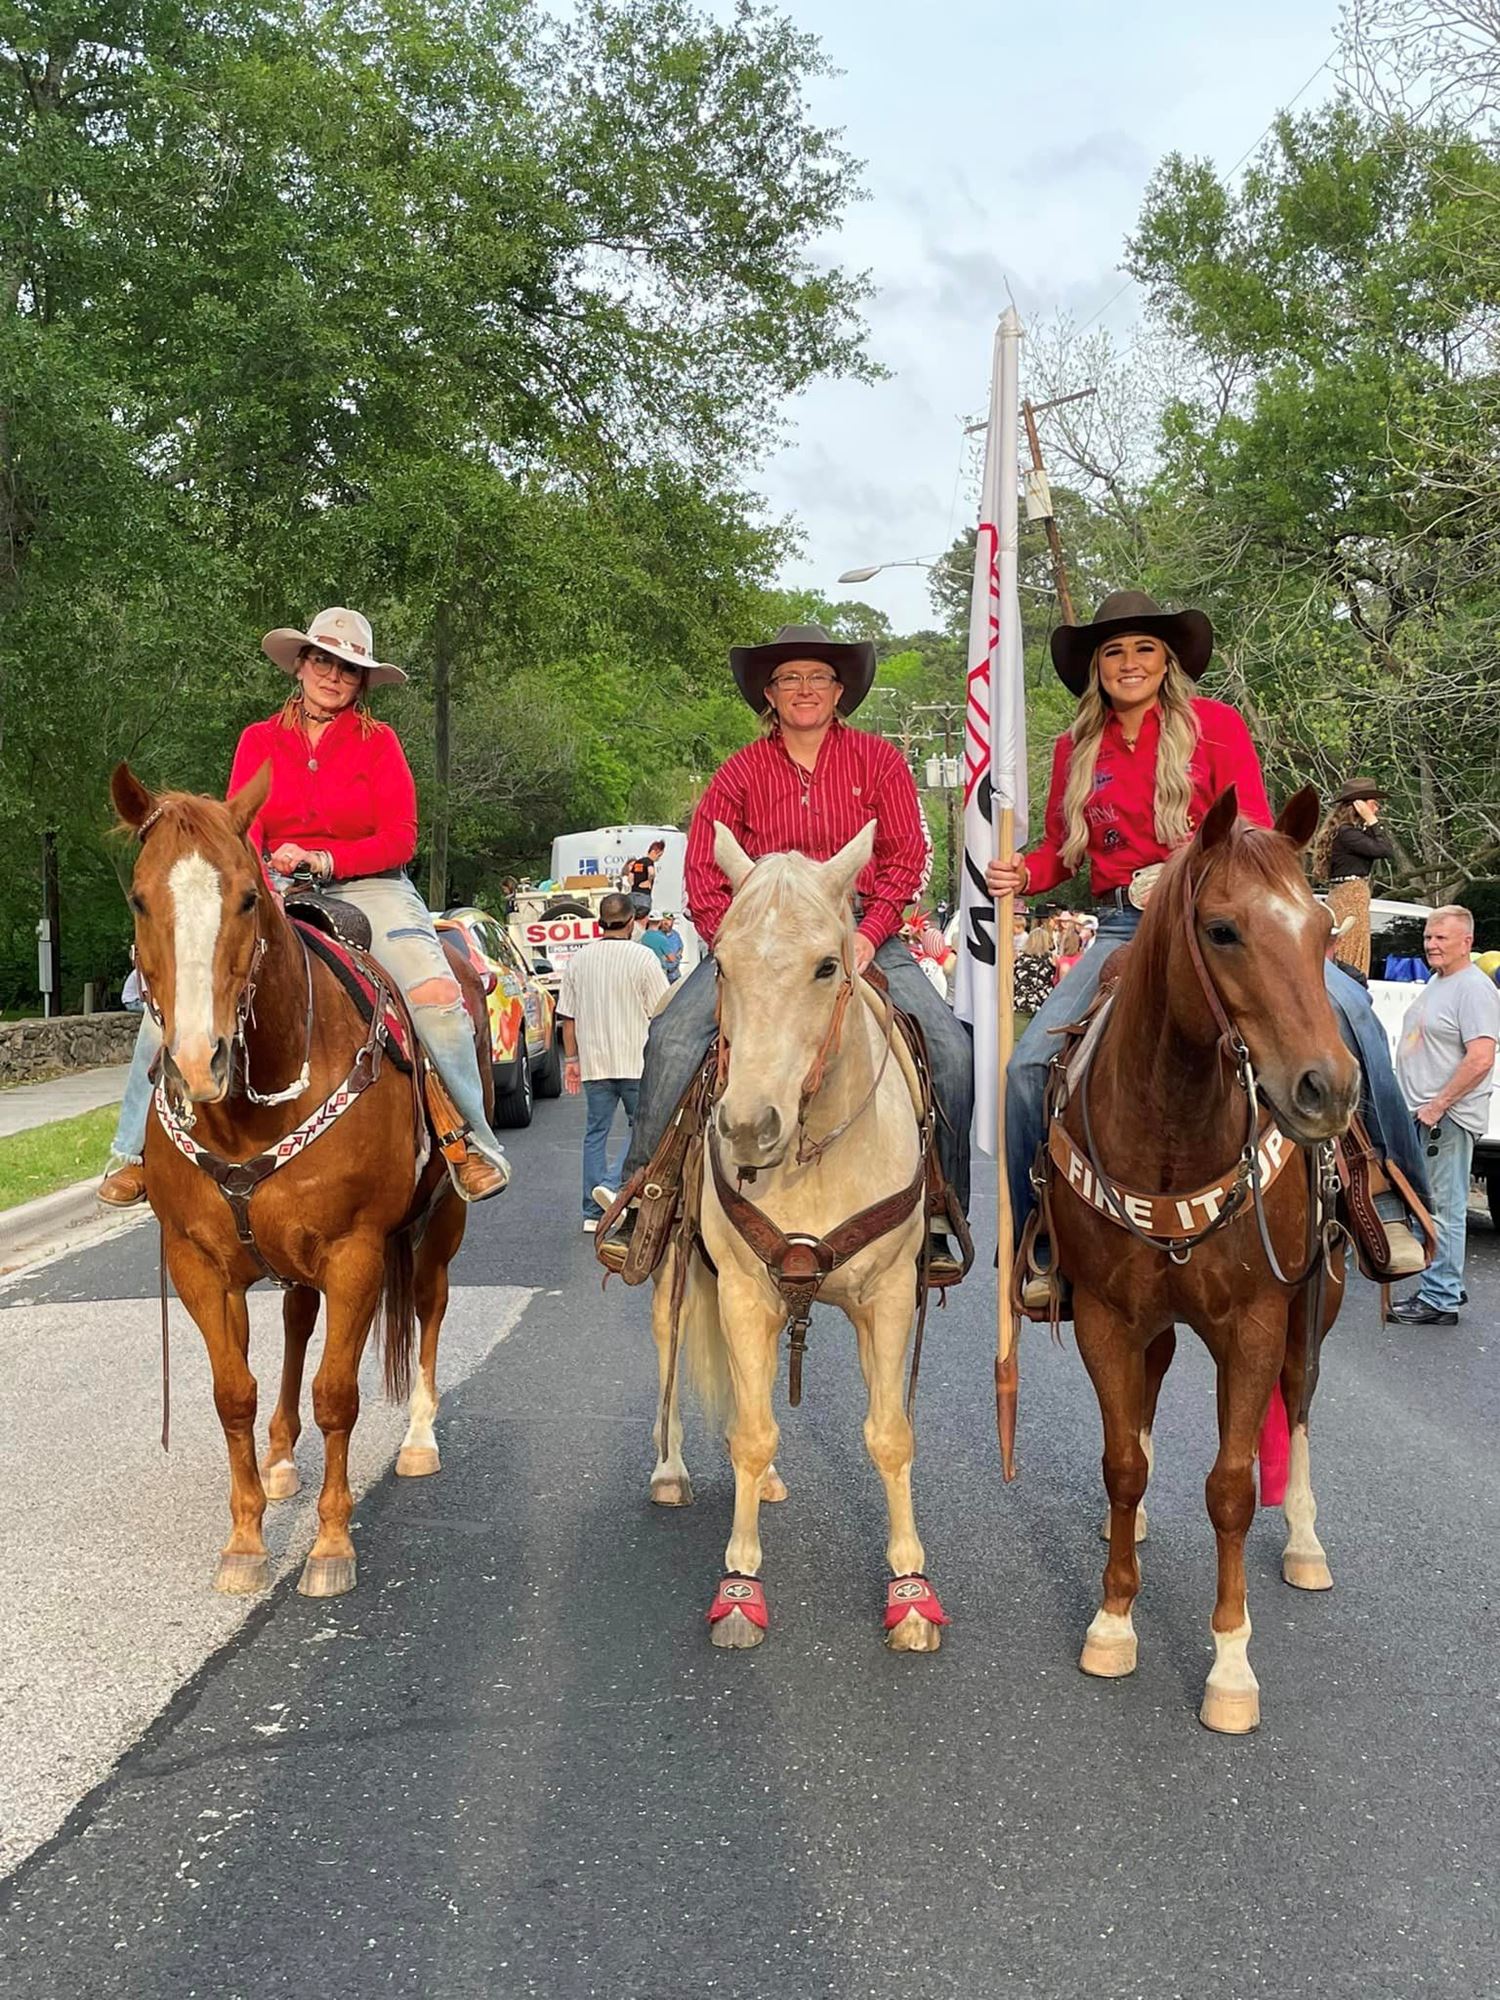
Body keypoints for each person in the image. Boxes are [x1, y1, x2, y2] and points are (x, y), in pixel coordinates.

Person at [985, 590, 1429, 1296]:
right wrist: (1022, 872)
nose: (1129, 664)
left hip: (1219, 917)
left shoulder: (1215, 725)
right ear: (1096, 668)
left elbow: (1250, 824)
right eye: (1113, 653)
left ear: (1168, 662)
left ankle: (1388, 1196)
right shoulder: (1076, 747)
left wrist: (1188, 869)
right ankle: (1044, 1242)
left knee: (1351, 1014)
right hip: (1126, 926)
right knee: (1025, 1069)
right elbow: (1062, 856)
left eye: (1144, 651)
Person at [97, 607, 510, 1207]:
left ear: (362, 681)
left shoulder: (380, 744)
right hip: (273, 888)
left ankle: (469, 1141)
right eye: (323, 659)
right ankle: (131, 1151)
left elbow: (401, 835)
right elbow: (245, 825)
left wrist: (326, 859)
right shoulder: (259, 739)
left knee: (439, 1000)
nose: (333, 675)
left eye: (348, 667)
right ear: (300, 664)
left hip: (372, 886)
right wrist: (264, 872)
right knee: (172, 1003)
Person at [616, 621, 974, 1274]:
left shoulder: (880, 762)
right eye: (789, 679)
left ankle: (942, 1207)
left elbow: (905, 856)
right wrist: (735, 943)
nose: (804, 689)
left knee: (949, 1047)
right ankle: (647, 1191)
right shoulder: (737, 774)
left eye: (817, 677)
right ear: (770, 695)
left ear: (840, 690)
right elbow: (702, 869)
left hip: (861, 931)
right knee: (672, 1036)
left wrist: (868, 935)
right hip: (761, 941)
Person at [1389, 906, 1500, 1324]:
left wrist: (1438, 1105)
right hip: (1424, 1114)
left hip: (1446, 1119)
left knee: (1443, 1209)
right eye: (1429, 937)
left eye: (1441, 938)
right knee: (1427, 1205)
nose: (1431, 944)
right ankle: (1443, 1282)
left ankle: (1441, 1299)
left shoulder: (1473, 988)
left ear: (1467, 943)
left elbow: (1481, 1058)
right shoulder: (1440, 982)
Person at [557, 891, 669, 1232]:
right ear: (633, 921)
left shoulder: (579, 960)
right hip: (637, 1060)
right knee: (644, 1130)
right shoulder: (644, 958)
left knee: (595, 1133)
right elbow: (662, 1009)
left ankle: (593, 1212)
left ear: (599, 923)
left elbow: (568, 1017)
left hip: (595, 1063)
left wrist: (572, 1060)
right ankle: (611, 1185)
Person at [1314, 778, 1396, 981]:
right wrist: (1371, 820)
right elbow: (1385, 849)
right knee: (1351, 951)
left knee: (1350, 948)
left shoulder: (1347, 833)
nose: (1377, 807)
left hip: (1347, 895)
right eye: (1372, 803)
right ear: (1358, 805)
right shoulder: (1346, 833)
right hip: (1351, 897)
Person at [624, 841, 665, 919]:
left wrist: (634, 885)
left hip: (633, 895)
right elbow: (651, 872)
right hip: (644, 895)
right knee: (643, 919)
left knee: (633, 918)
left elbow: (630, 877)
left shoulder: (638, 862)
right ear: (653, 851)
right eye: (659, 855)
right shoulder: (649, 861)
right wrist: (649, 881)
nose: (658, 858)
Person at [639, 914, 683, 985]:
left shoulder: (675, 935)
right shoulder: (660, 938)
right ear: (660, 922)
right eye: (664, 920)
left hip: (673, 975)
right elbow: (672, 958)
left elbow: (679, 950)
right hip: (661, 974)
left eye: (669, 920)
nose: (666, 922)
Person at [120, 950, 146, 1014]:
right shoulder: (139, 973)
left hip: (136, 1001)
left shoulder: (140, 972)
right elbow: (145, 993)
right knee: (150, 1010)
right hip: (132, 1002)